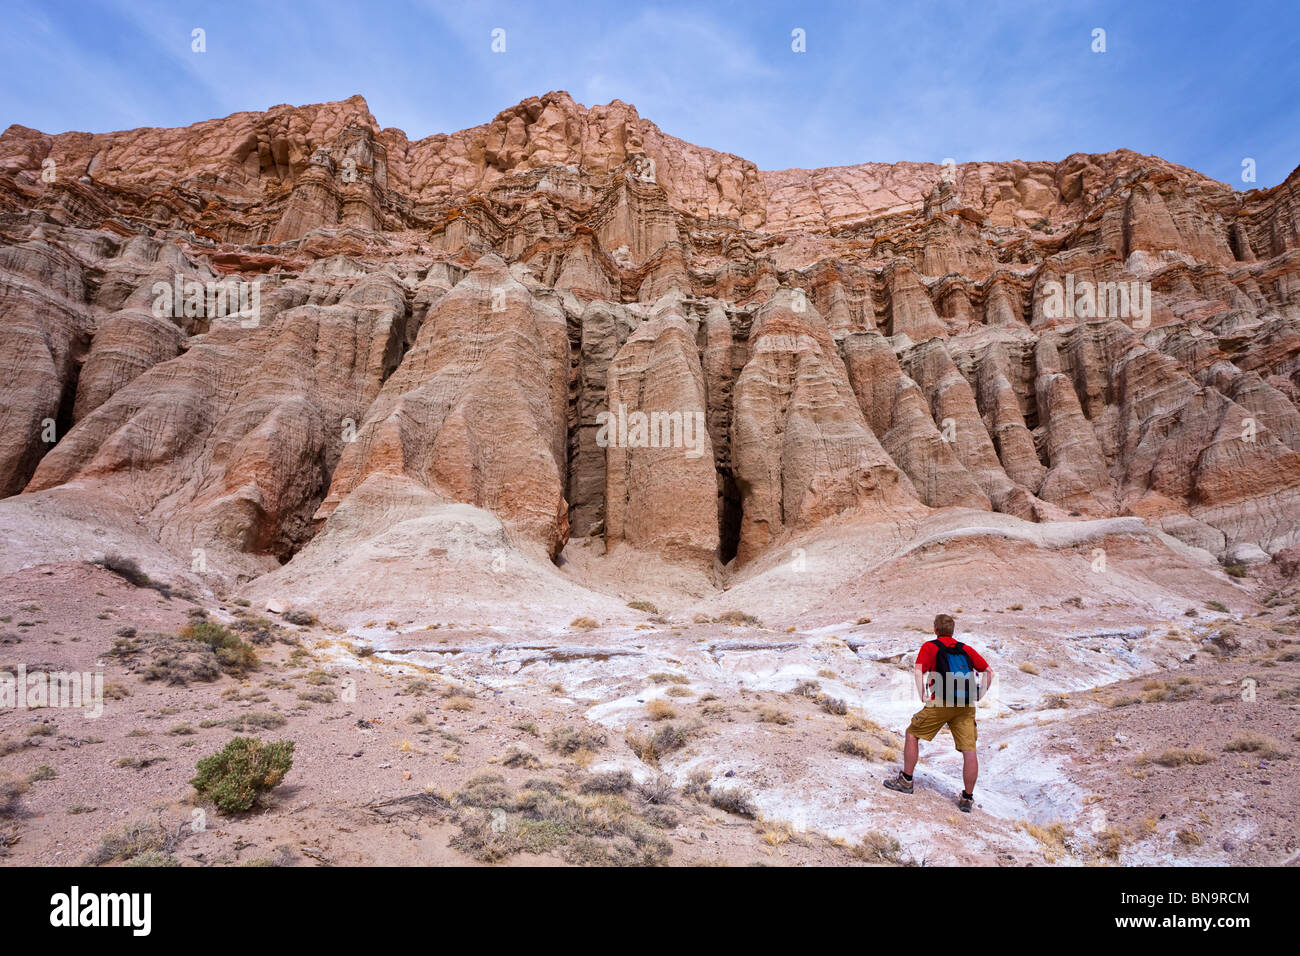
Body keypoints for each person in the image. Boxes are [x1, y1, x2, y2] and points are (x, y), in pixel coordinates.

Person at [883, 613, 993, 812]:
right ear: (952, 631)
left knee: (912, 733)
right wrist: (980, 695)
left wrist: (923, 695)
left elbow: (918, 671)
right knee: (969, 750)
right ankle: (967, 798)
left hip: (941, 700)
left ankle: (906, 781)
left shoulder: (930, 646)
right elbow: (989, 671)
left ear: (935, 630)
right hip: (966, 703)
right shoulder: (965, 649)